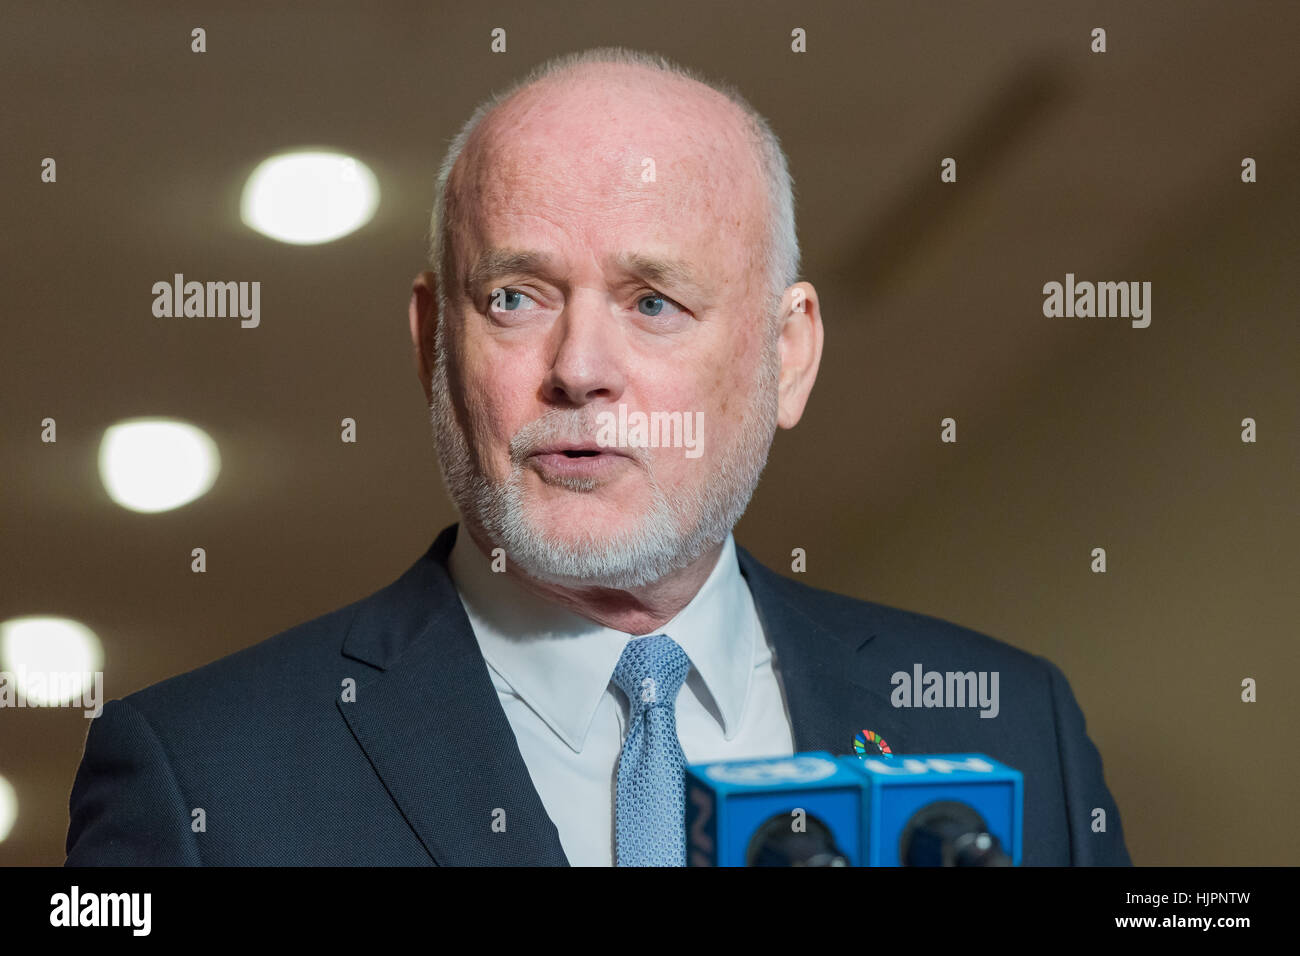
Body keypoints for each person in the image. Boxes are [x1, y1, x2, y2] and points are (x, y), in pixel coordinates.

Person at [65, 47, 1130, 866]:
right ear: (433, 342)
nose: (579, 368)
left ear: (786, 354)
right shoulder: (202, 774)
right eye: (516, 297)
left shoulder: (1012, 724)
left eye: (653, 301)